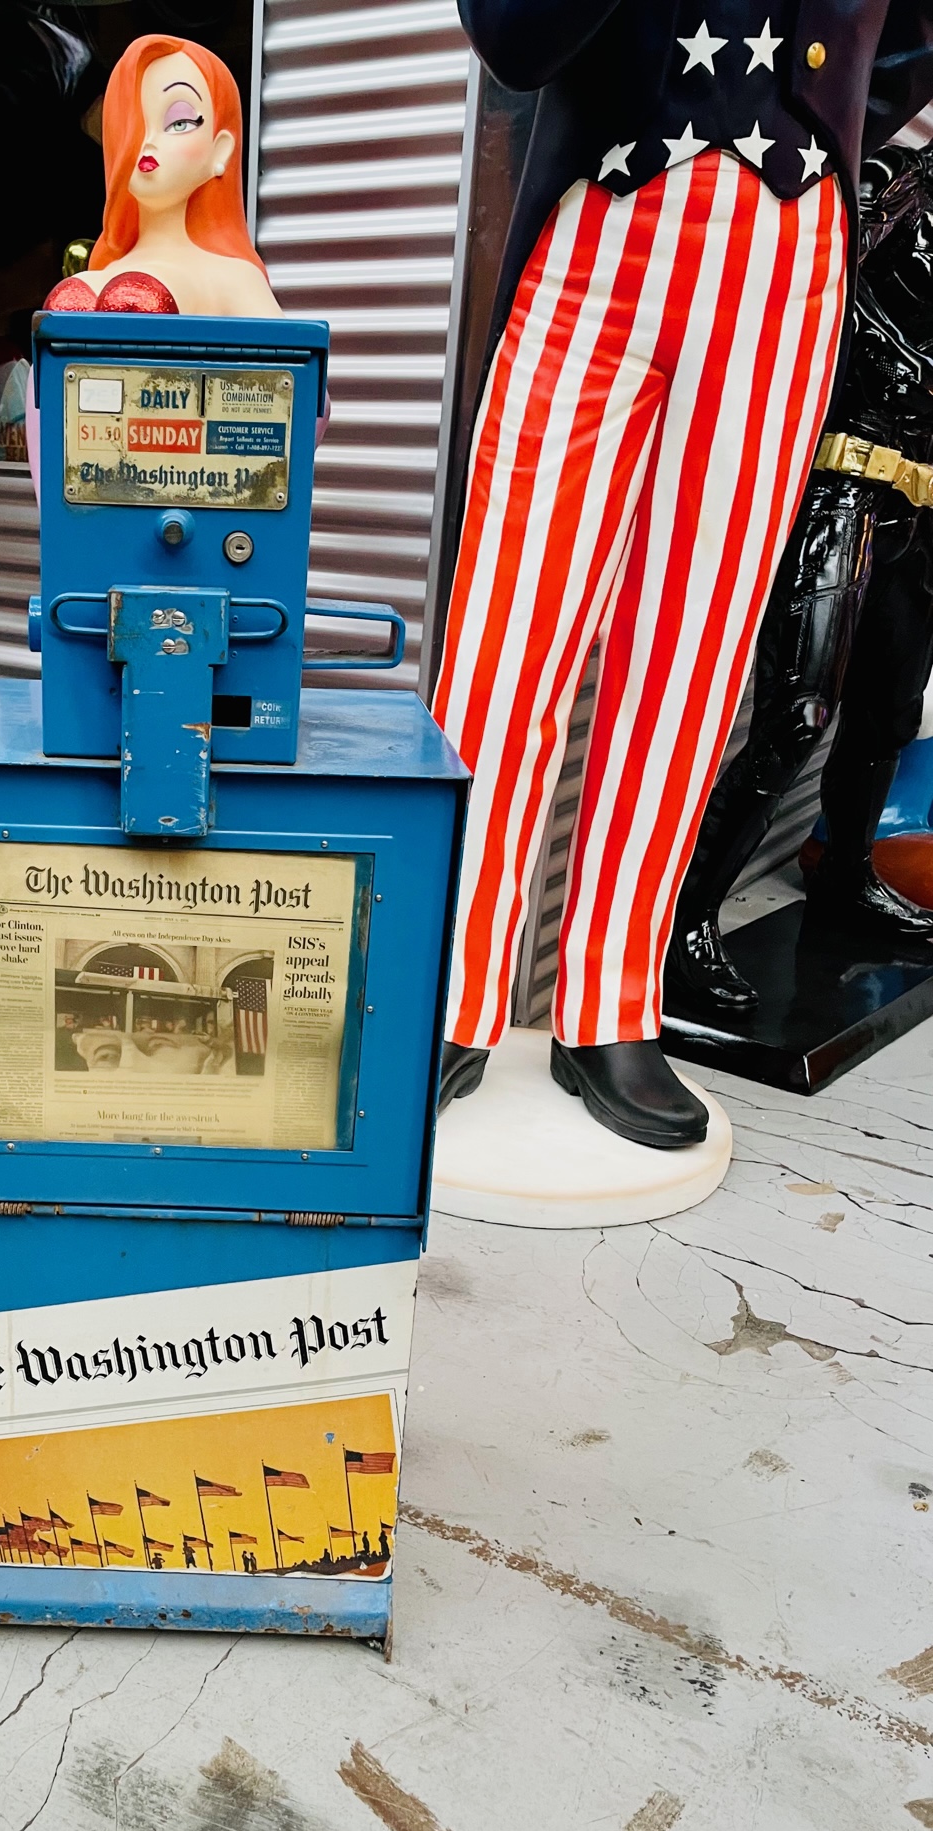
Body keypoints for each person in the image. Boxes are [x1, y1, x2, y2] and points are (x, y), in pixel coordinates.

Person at [434, 1, 933, 1148]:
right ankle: (449, 988)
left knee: (691, 647)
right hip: (598, 208)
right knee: (506, 635)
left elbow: (906, 36)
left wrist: (829, 111)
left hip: (789, 232)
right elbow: (512, 33)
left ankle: (610, 1002)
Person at [669, 140, 933, 1014]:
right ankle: (683, 921)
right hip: (840, 477)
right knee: (797, 712)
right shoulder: (893, 175)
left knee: (888, 713)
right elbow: (811, 279)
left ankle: (848, 875)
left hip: (922, 497)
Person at [41, 35, 279, 318]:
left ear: (220, 151)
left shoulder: (233, 277)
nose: (148, 141)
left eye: (179, 122)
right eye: (132, 124)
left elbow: (287, 347)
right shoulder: (104, 268)